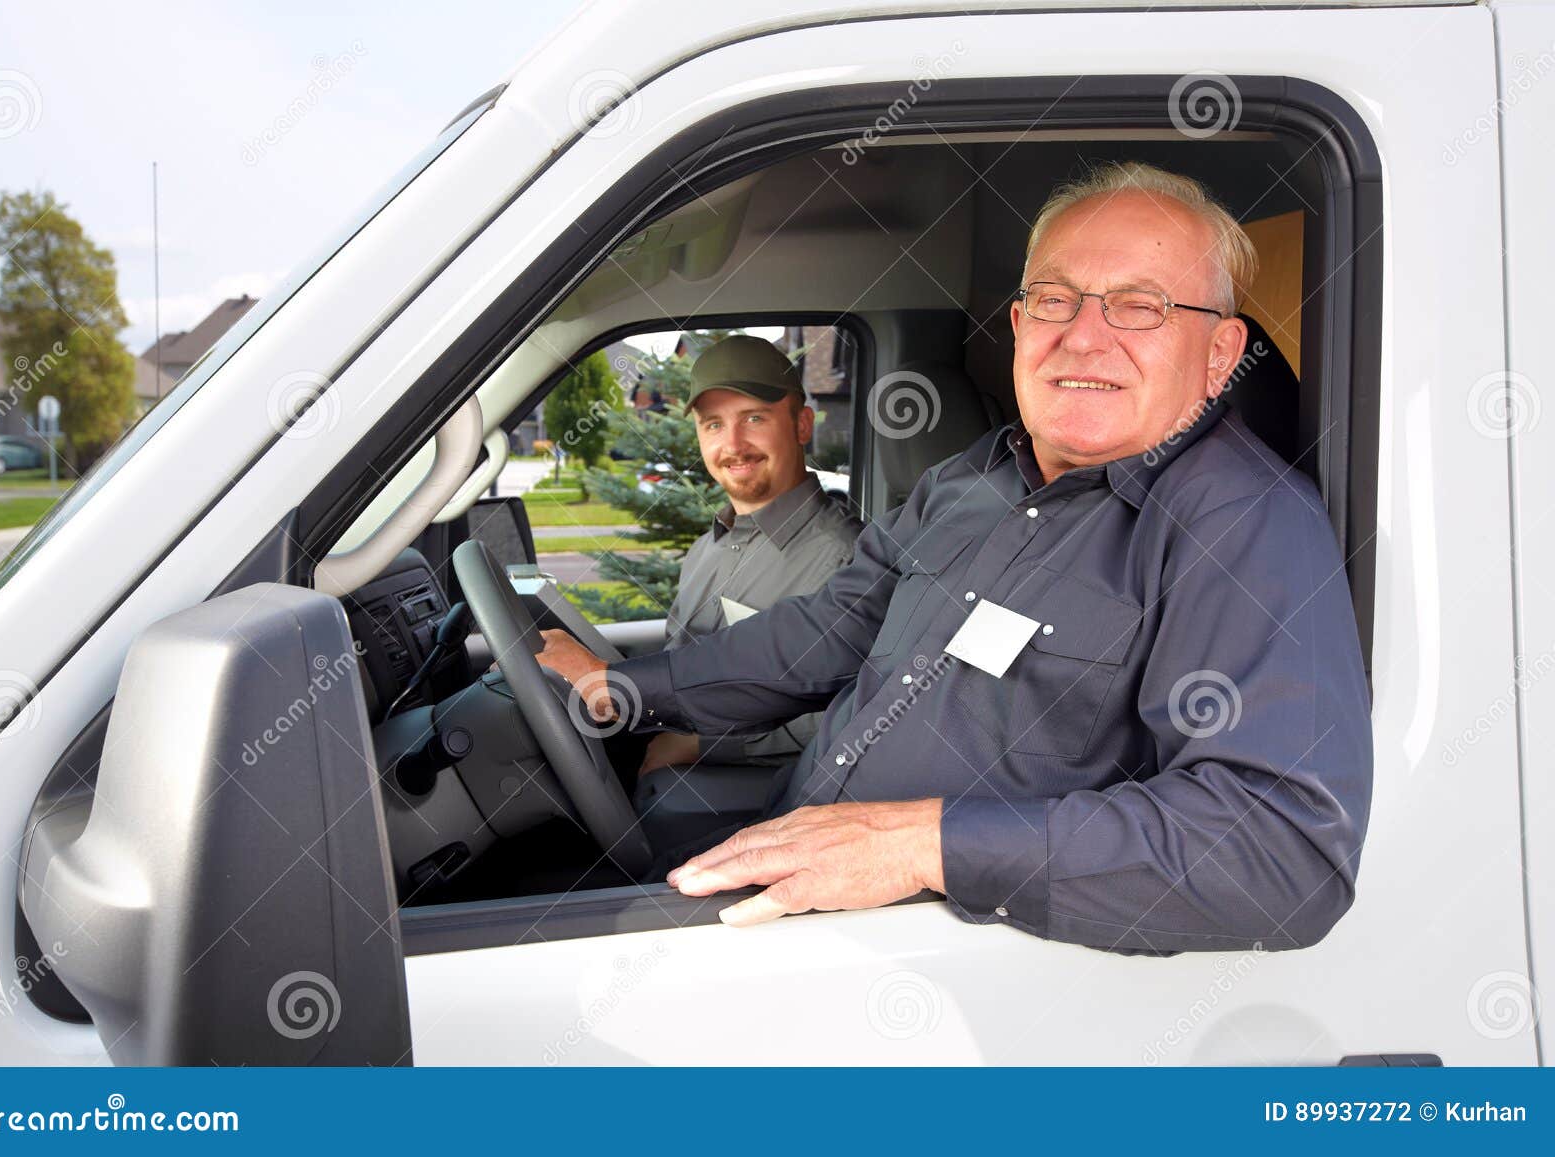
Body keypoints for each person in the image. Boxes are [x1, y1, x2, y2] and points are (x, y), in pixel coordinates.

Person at [540, 162, 1373, 955]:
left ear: (1221, 353)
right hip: (784, 865)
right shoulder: (970, 480)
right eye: (1054, 300)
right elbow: (826, 632)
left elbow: (1281, 851)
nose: (1082, 338)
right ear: (1019, 325)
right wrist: (624, 690)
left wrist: (915, 844)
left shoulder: (1242, 525)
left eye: (1139, 306)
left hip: (919, 961)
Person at [636, 334, 862, 778]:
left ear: (801, 425)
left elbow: (854, 713)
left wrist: (702, 744)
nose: (733, 445)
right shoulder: (706, 549)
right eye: (713, 424)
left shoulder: (847, 560)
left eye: (754, 418)